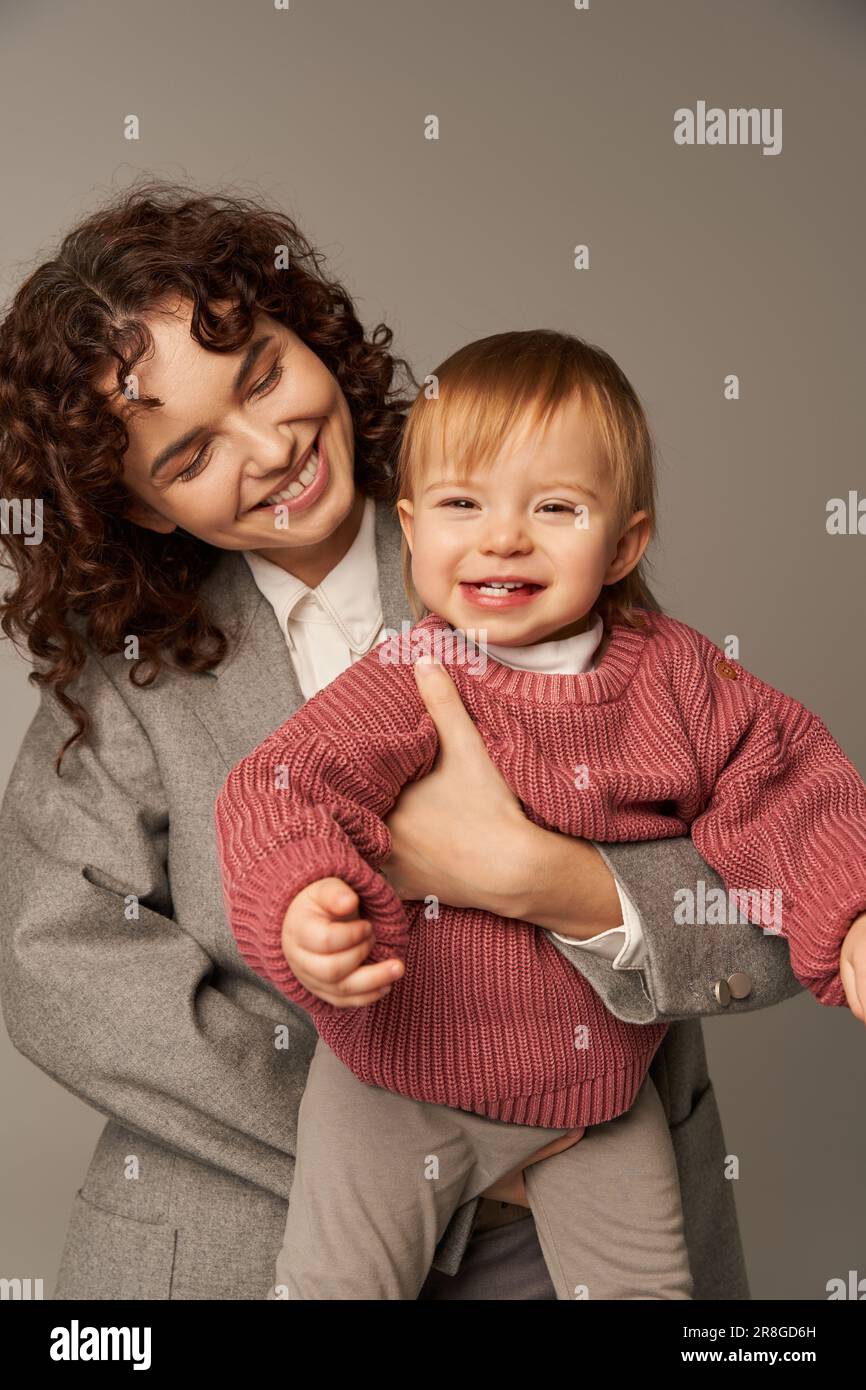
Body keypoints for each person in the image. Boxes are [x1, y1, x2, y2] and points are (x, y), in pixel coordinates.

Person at [0, 183, 801, 1301]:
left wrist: (563, 884)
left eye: (265, 374)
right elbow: (57, 969)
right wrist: (420, 1138)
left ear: (306, 330)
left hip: (585, 1214)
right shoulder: (128, 673)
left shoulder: (518, 543)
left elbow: (768, 887)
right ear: (139, 507)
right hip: (270, 1222)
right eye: (188, 457)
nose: (268, 448)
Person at [214, 328, 866, 1299]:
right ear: (410, 524)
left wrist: (847, 906)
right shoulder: (407, 674)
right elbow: (284, 783)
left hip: (592, 1092)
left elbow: (783, 780)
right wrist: (304, 897)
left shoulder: (678, 675)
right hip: (389, 1082)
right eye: (460, 505)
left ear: (623, 543)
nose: (502, 536)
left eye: (553, 507)